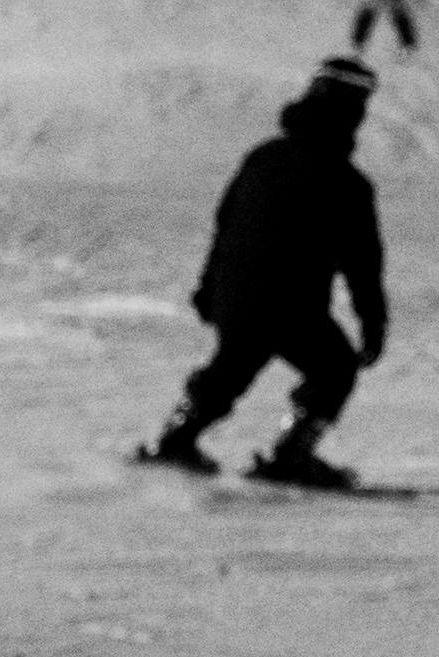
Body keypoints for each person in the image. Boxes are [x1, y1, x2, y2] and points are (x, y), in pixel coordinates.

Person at [137, 57, 388, 487]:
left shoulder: (263, 158)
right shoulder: (346, 182)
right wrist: (372, 322)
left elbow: (226, 224)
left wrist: (210, 287)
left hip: (237, 296)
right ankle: (291, 455)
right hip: (291, 303)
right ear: (354, 111)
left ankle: (178, 440)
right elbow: (362, 260)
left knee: (234, 363)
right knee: (334, 368)